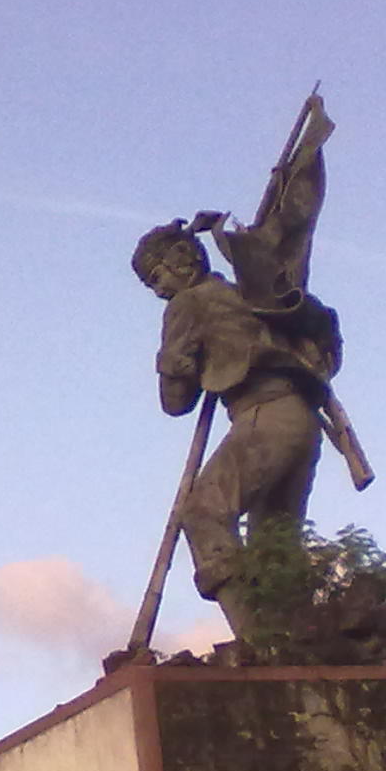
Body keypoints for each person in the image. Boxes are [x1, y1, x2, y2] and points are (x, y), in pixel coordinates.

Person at [132, 218, 343, 637]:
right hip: (301, 422)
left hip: (262, 418)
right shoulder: (248, 295)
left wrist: (174, 363)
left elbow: (175, 403)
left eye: (157, 276)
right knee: (275, 546)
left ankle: (258, 640)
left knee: (203, 513)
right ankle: (293, 642)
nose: (158, 290)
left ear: (183, 259)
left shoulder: (189, 303)